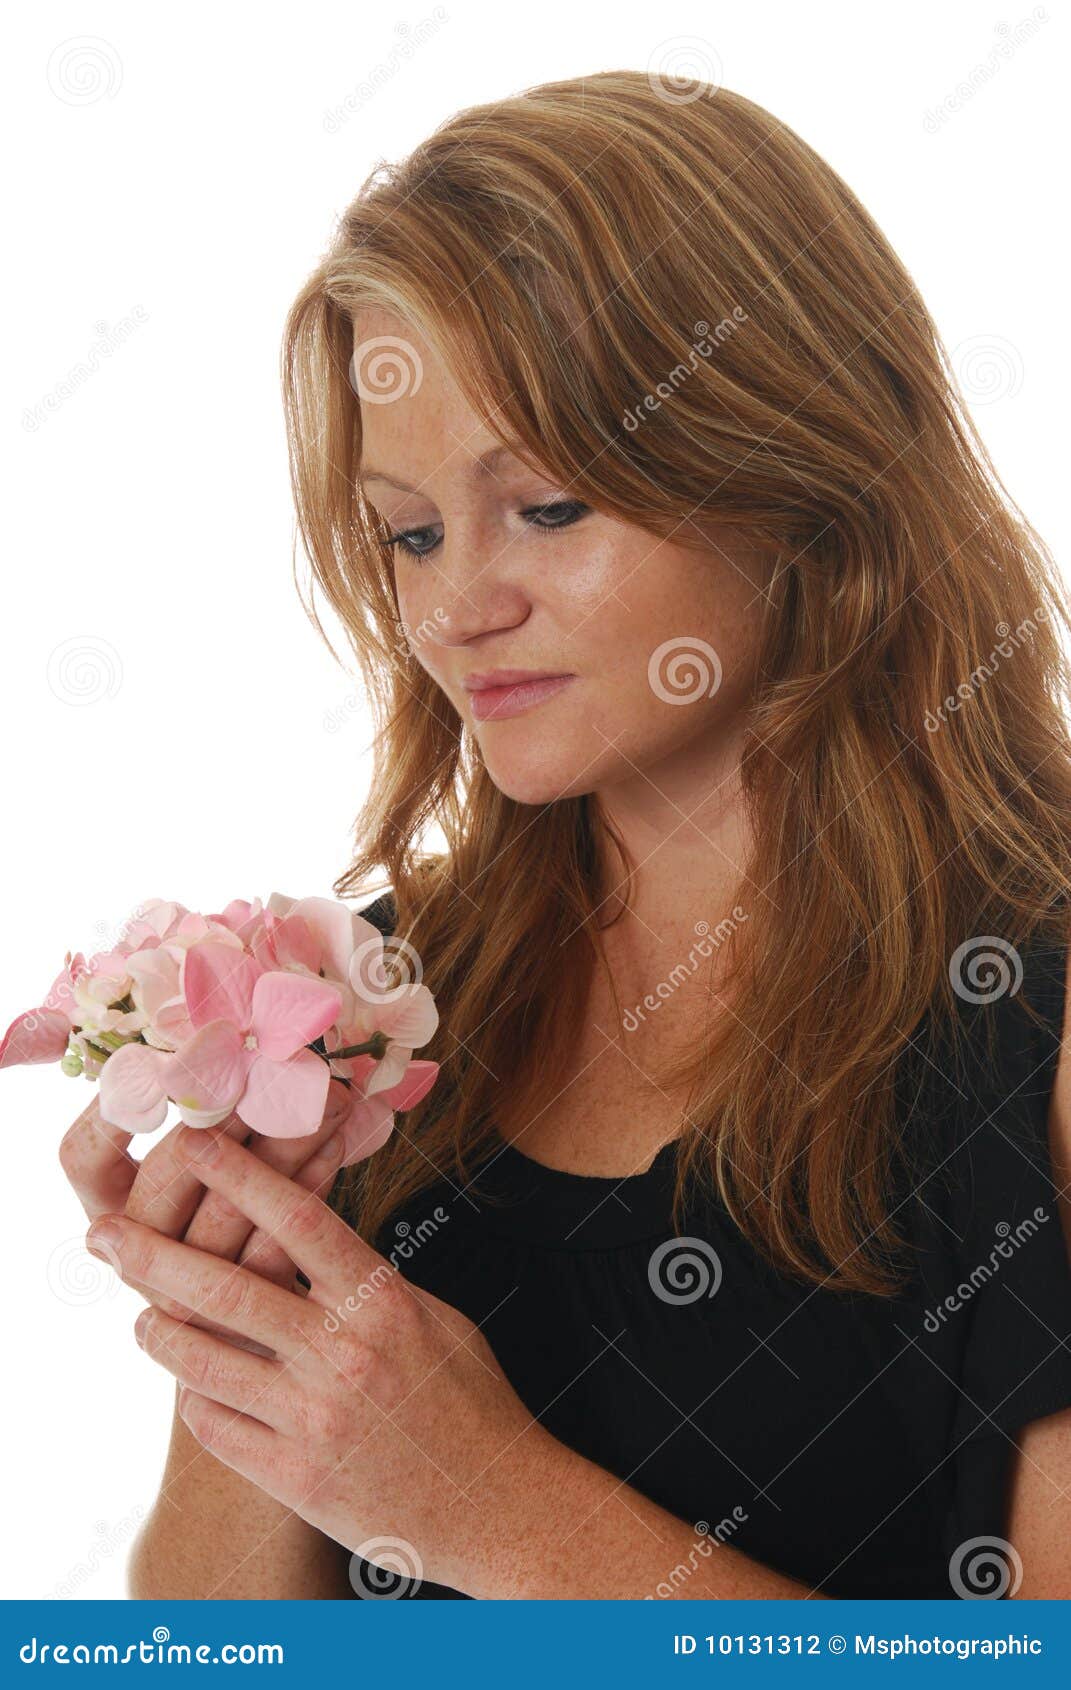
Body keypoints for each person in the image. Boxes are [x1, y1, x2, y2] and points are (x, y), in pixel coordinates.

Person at [62, 70, 1071, 1599]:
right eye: (409, 532)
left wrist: (494, 1506)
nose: (457, 608)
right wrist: (249, 1309)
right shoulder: (376, 1010)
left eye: (544, 505)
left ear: (798, 470)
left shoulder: (1031, 1024)